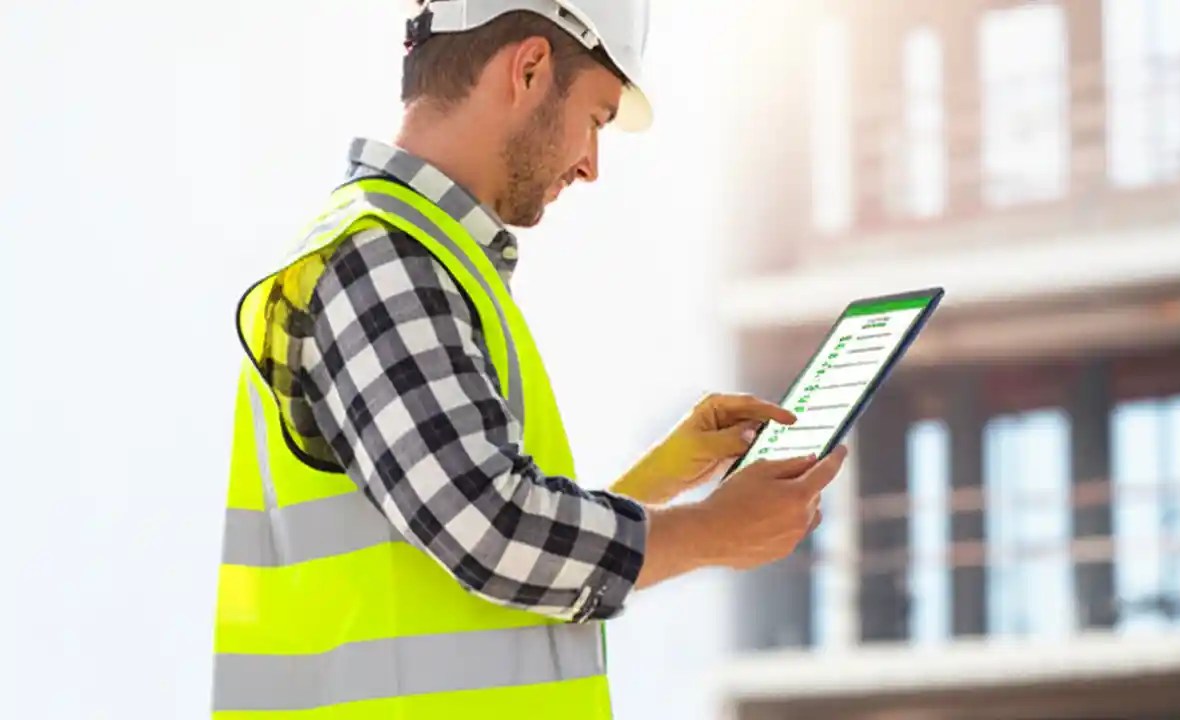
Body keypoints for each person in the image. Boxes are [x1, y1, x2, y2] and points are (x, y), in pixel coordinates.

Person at [211, 1, 847, 717]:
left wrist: (656, 483)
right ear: (531, 68)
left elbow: (472, 557)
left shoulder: (425, 258)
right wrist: (712, 531)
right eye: (596, 119)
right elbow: (488, 528)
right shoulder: (379, 257)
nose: (590, 165)